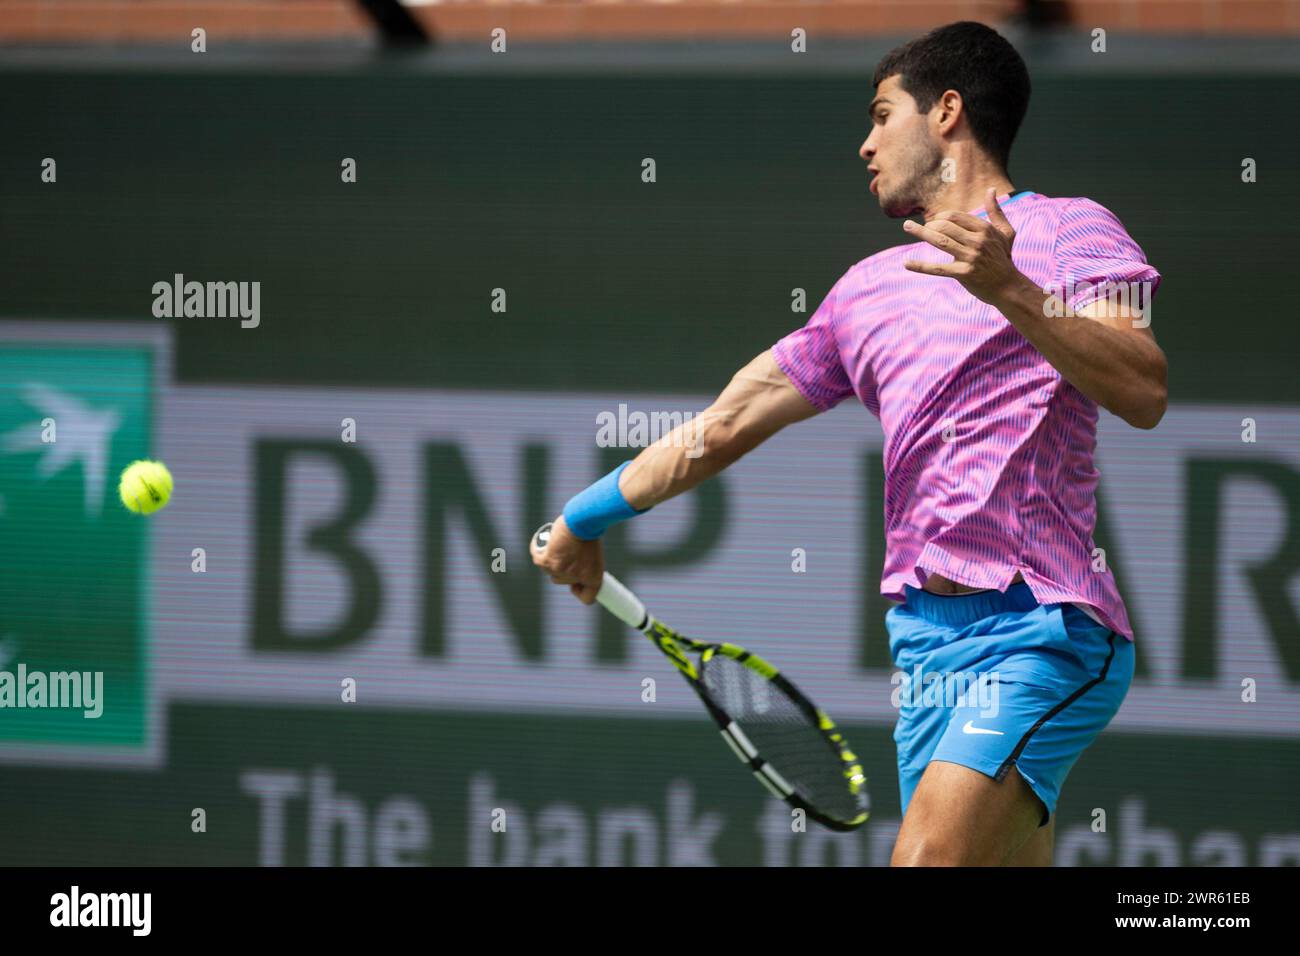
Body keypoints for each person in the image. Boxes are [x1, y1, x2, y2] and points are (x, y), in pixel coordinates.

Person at [532, 21, 1165, 866]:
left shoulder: (1075, 230)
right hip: (926, 648)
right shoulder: (862, 295)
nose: (864, 145)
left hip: (1043, 626)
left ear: (947, 113)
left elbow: (1143, 388)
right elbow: (720, 428)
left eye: (880, 115)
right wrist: (583, 518)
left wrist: (1011, 288)